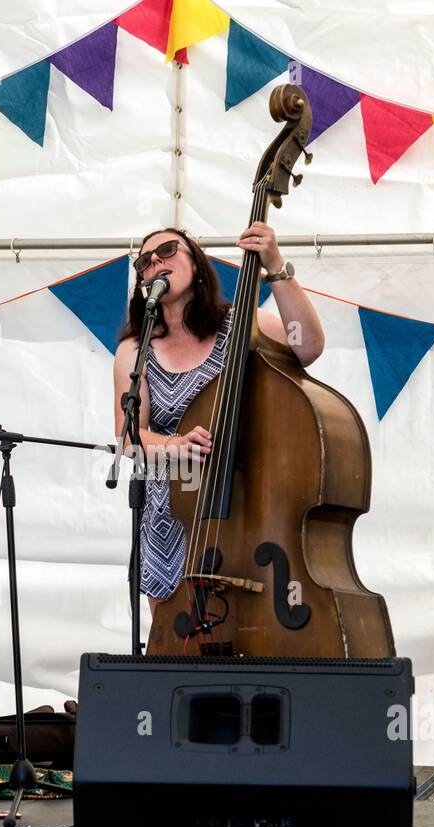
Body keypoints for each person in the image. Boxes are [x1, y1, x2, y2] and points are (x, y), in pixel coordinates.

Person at [111, 225, 325, 609]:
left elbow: (306, 346)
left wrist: (275, 266)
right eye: (144, 262)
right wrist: (176, 445)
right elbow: (129, 439)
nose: (155, 261)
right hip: (171, 515)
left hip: (244, 504)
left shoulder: (242, 325)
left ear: (196, 263)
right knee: (173, 636)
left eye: (168, 250)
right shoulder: (135, 349)